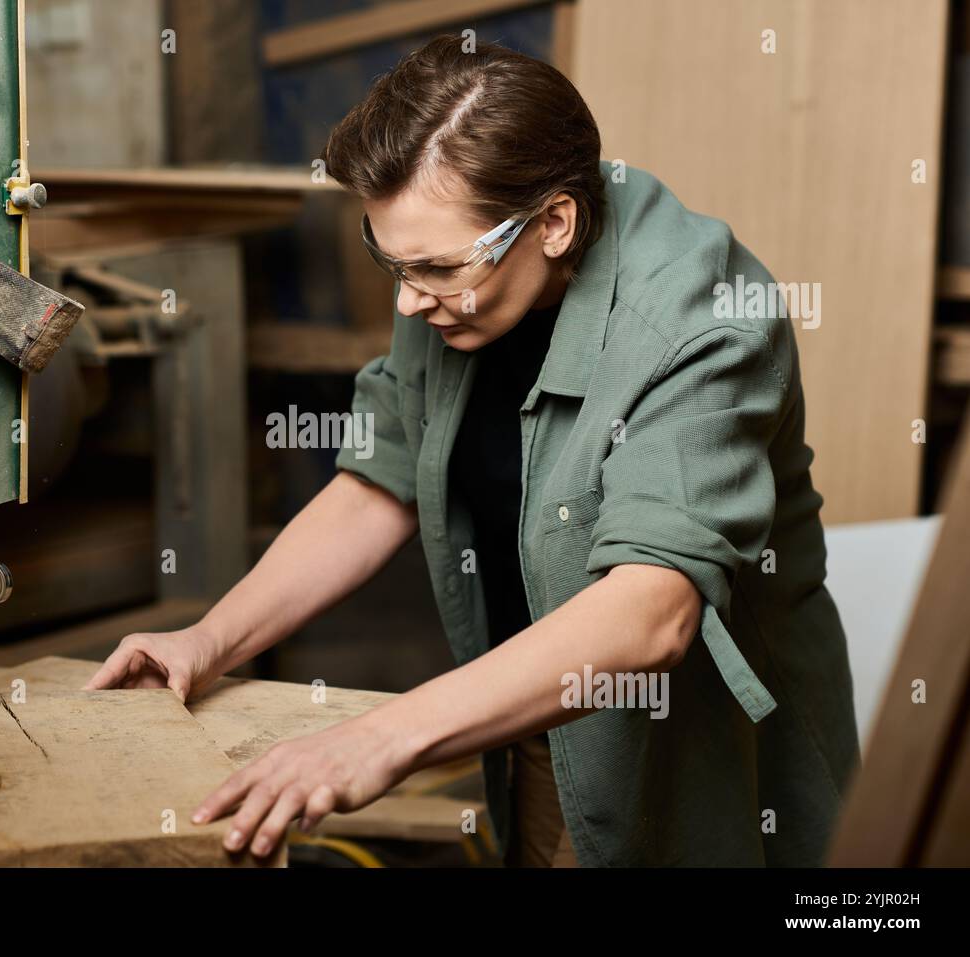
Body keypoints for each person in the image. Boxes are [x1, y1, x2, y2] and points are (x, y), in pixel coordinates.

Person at [86, 35, 859, 867]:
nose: (410, 300)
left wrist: (381, 738)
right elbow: (379, 478)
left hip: (694, 752)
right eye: (390, 262)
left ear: (555, 223)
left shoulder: (701, 323)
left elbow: (651, 612)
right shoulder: (446, 278)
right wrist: (208, 640)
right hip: (531, 710)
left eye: (435, 269)